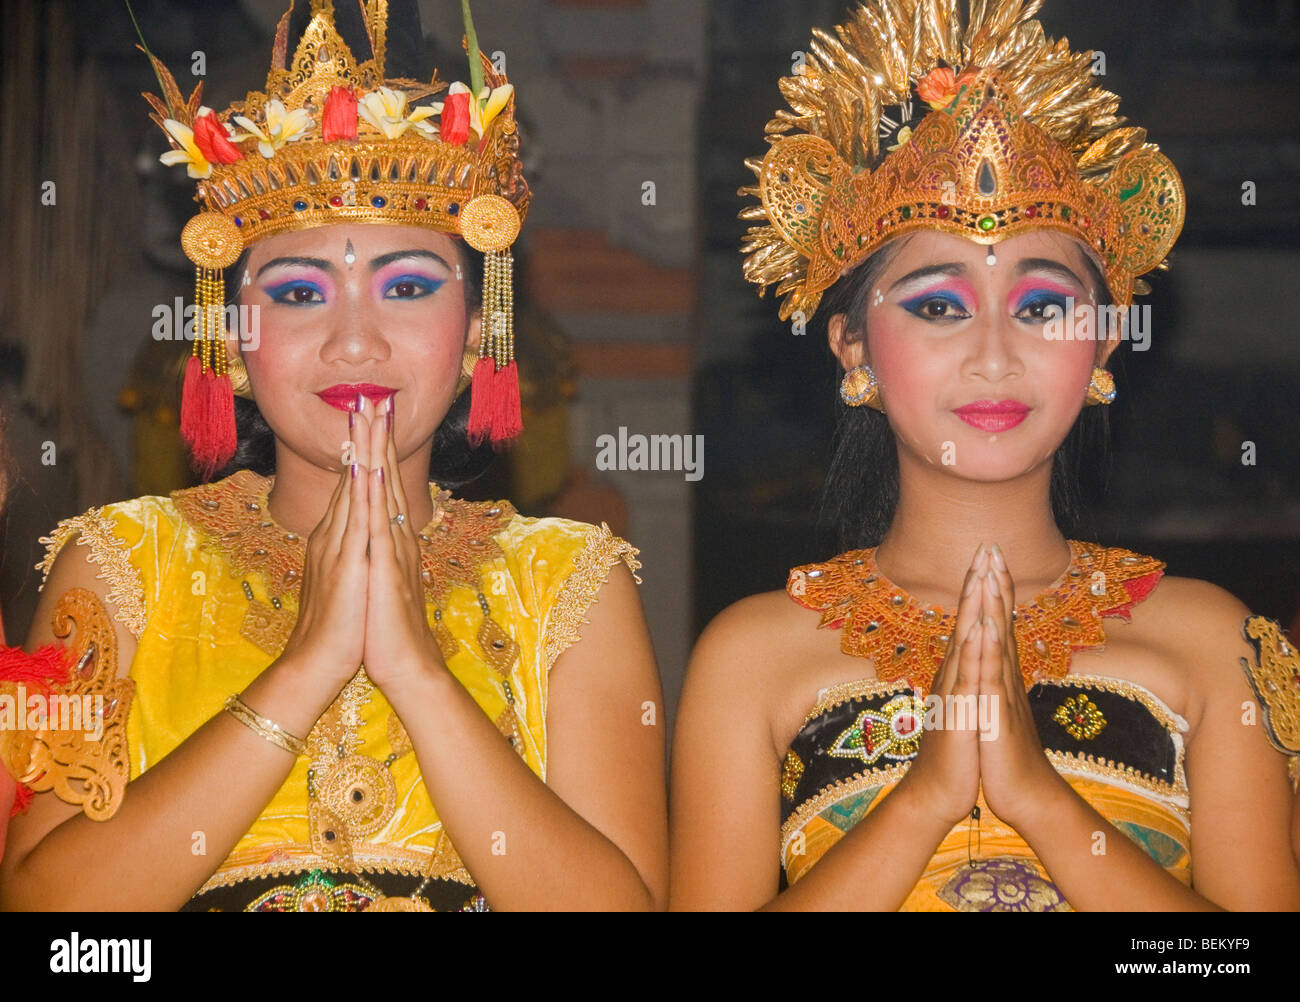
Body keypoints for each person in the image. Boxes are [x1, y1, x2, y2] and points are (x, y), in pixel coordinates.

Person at [0, 0, 666, 911]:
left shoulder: (569, 582)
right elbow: (53, 927)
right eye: (303, 292)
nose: (356, 344)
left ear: (477, 336)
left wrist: (419, 675)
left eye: (406, 286)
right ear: (231, 346)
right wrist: (304, 669)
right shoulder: (123, 566)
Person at [669, 0, 1300, 911]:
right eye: (937, 306)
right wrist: (925, 799)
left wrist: (1038, 798)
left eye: (1043, 306)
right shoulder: (756, 657)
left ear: (1106, 347)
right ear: (852, 348)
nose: (996, 354)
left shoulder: (1208, 643)